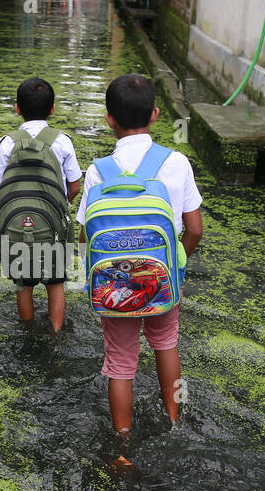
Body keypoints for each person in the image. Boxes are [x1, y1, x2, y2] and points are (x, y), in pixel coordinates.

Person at [77, 74, 203, 441]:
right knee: (166, 344)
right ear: (156, 115)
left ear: (108, 119)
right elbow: (194, 228)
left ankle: (123, 439)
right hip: (162, 282)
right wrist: (175, 266)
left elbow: (86, 235)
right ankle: (174, 418)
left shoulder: (98, 171)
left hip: (114, 287)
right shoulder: (177, 162)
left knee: (119, 361)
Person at [0, 77, 82, 331]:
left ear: (17, 108)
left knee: (23, 284)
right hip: (52, 227)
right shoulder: (62, 141)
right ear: (53, 109)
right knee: (55, 283)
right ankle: (56, 334)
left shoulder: (8, 142)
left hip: (15, 224)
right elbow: (75, 186)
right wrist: (60, 207)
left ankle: (27, 331)